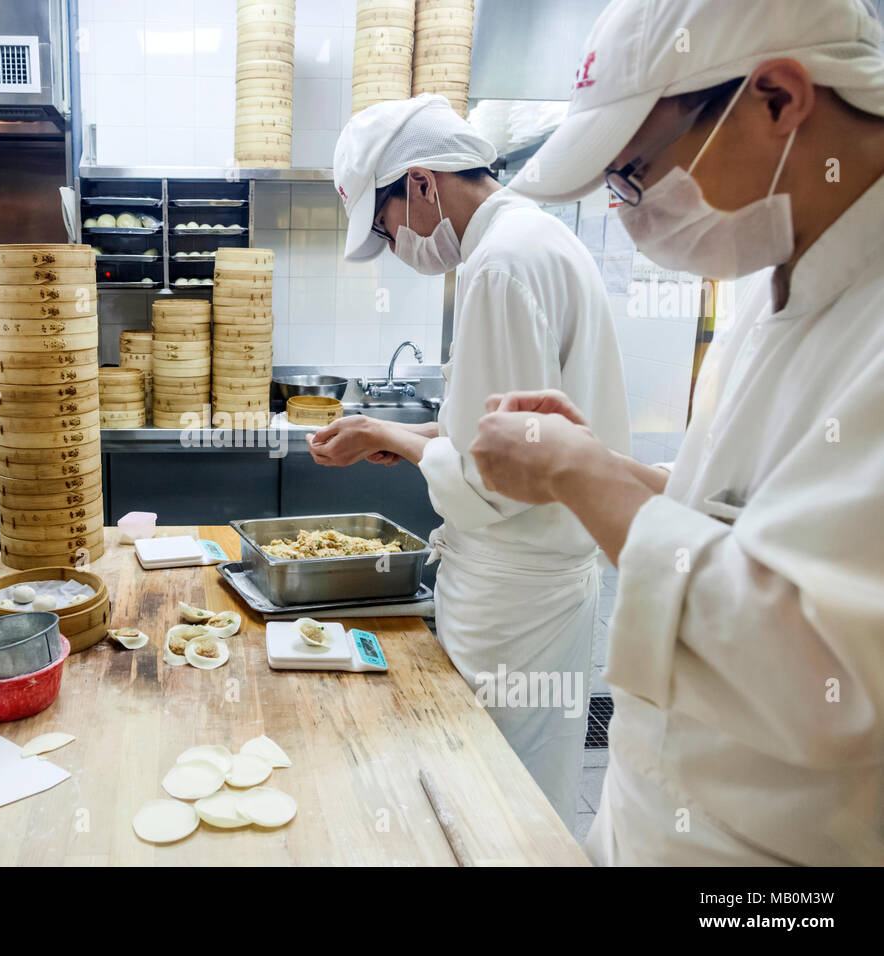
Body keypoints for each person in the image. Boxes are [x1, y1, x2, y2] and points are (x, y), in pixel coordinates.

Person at [471, 0, 884, 865]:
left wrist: (587, 479)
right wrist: (617, 470)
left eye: (635, 173)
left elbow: (829, 676)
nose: (628, 210)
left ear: (776, 98)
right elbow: (751, 525)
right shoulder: (776, 287)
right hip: (653, 820)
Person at [314, 94, 631, 829]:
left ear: (422, 185)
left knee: (492, 801)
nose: (398, 246)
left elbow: (500, 476)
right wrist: (391, 429)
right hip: (534, 582)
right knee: (523, 787)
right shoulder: (531, 241)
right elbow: (497, 429)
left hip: (514, 594)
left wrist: (390, 438)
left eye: (388, 227)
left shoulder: (500, 266)